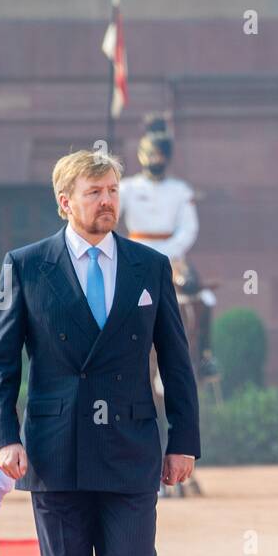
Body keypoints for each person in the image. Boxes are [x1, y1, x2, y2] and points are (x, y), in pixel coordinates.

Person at [0, 149, 201, 556]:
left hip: (132, 447)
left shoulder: (149, 266)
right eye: (94, 191)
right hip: (55, 454)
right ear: (65, 202)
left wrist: (183, 439)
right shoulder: (27, 266)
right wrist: (3, 438)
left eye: (113, 189)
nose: (108, 200)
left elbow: (176, 361)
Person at [120, 113, 216, 377]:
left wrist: (166, 253)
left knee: (200, 294)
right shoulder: (126, 188)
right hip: (133, 253)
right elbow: (110, 219)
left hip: (172, 256)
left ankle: (205, 357)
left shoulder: (181, 191)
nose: (155, 160)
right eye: (151, 155)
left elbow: (189, 228)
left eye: (160, 155)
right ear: (141, 155)